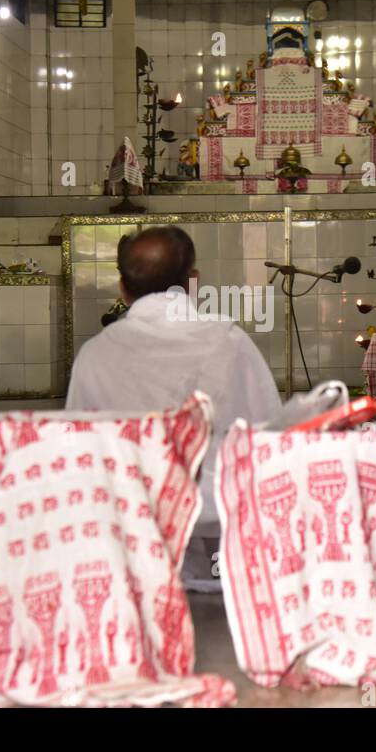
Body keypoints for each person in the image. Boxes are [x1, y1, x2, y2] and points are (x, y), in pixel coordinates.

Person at [66, 226, 282, 591]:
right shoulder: (231, 342)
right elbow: (272, 438)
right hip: (222, 542)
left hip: (127, 546)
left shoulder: (95, 354)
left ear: (122, 286)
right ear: (192, 280)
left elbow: (76, 454)